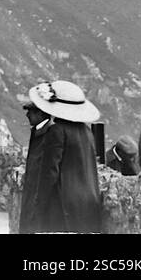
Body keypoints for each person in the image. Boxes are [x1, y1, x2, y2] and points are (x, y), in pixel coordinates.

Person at [17, 79, 102, 234]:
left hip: (62, 208)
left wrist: (38, 208)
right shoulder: (87, 132)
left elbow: (49, 173)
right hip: (86, 206)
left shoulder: (57, 131)